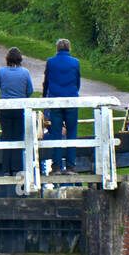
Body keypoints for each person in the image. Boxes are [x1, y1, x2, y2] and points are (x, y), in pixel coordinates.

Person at [0, 47, 33, 175]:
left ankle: (6, 169)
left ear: (7, 59)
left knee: (6, 137)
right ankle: (17, 168)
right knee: (18, 137)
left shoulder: (2, 72)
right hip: (19, 109)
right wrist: (23, 97)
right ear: (20, 59)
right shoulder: (25, 72)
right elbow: (30, 90)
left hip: (5, 109)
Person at [43, 38, 82, 174]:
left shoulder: (51, 62)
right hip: (71, 100)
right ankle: (71, 165)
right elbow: (77, 82)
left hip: (55, 101)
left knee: (56, 133)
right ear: (69, 49)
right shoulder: (75, 63)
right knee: (71, 132)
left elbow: (46, 82)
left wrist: (45, 99)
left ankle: (57, 166)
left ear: (57, 49)